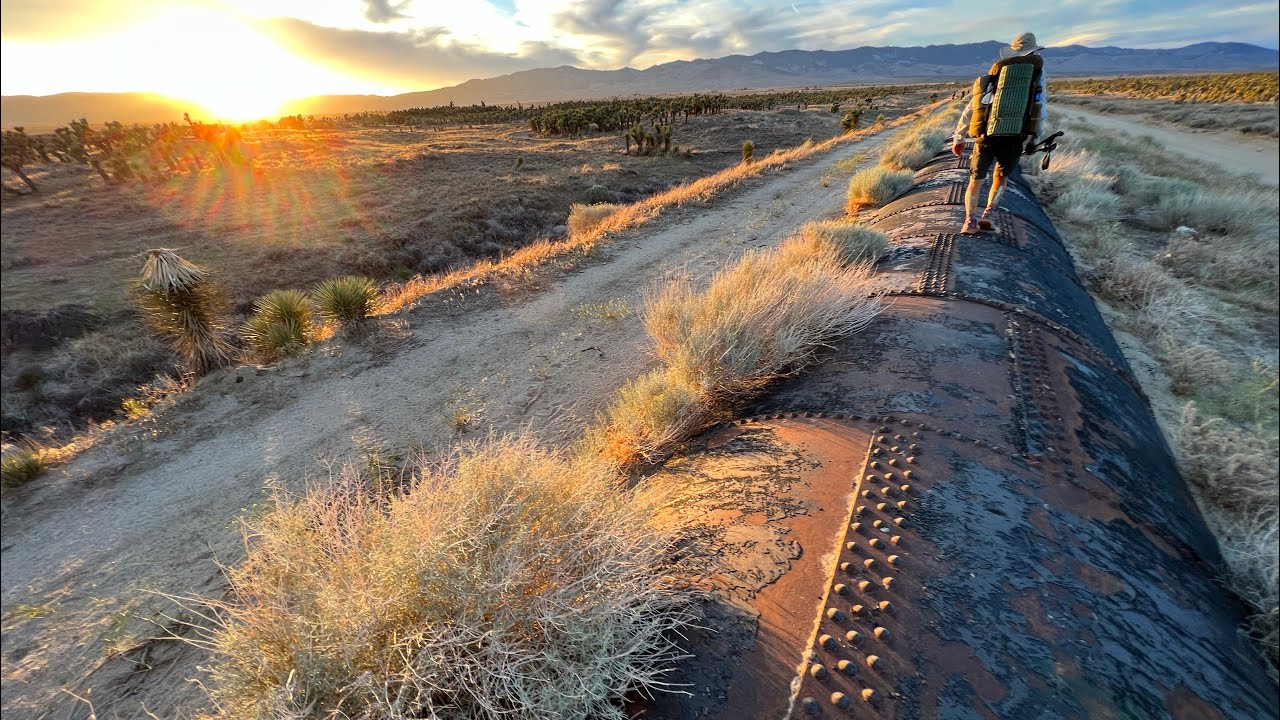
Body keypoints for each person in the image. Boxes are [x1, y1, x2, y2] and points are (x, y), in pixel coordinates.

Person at [951, 32, 1048, 234]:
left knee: (975, 181)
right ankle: (988, 214)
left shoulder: (998, 70)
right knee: (1000, 178)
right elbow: (1039, 108)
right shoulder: (1037, 73)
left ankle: (969, 221)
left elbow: (974, 105)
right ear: (1034, 50)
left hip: (987, 135)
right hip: (1014, 137)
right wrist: (1035, 137)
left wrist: (959, 137)